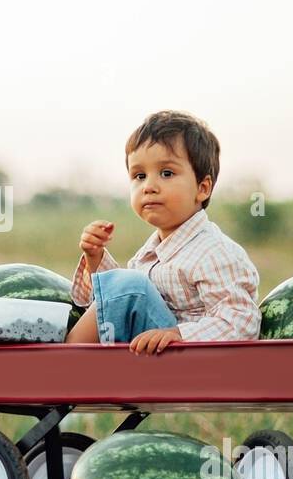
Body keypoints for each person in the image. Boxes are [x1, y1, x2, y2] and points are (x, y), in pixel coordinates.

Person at [63, 110, 261, 353]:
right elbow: (117, 307)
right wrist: (95, 257)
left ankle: (64, 362)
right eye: (139, 176)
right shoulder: (150, 253)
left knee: (128, 286)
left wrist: (178, 334)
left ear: (202, 188)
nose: (149, 187)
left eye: (166, 173)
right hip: (150, 356)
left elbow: (242, 321)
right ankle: (66, 357)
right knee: (125, 286)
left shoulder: (213, 251)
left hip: (189, 362)